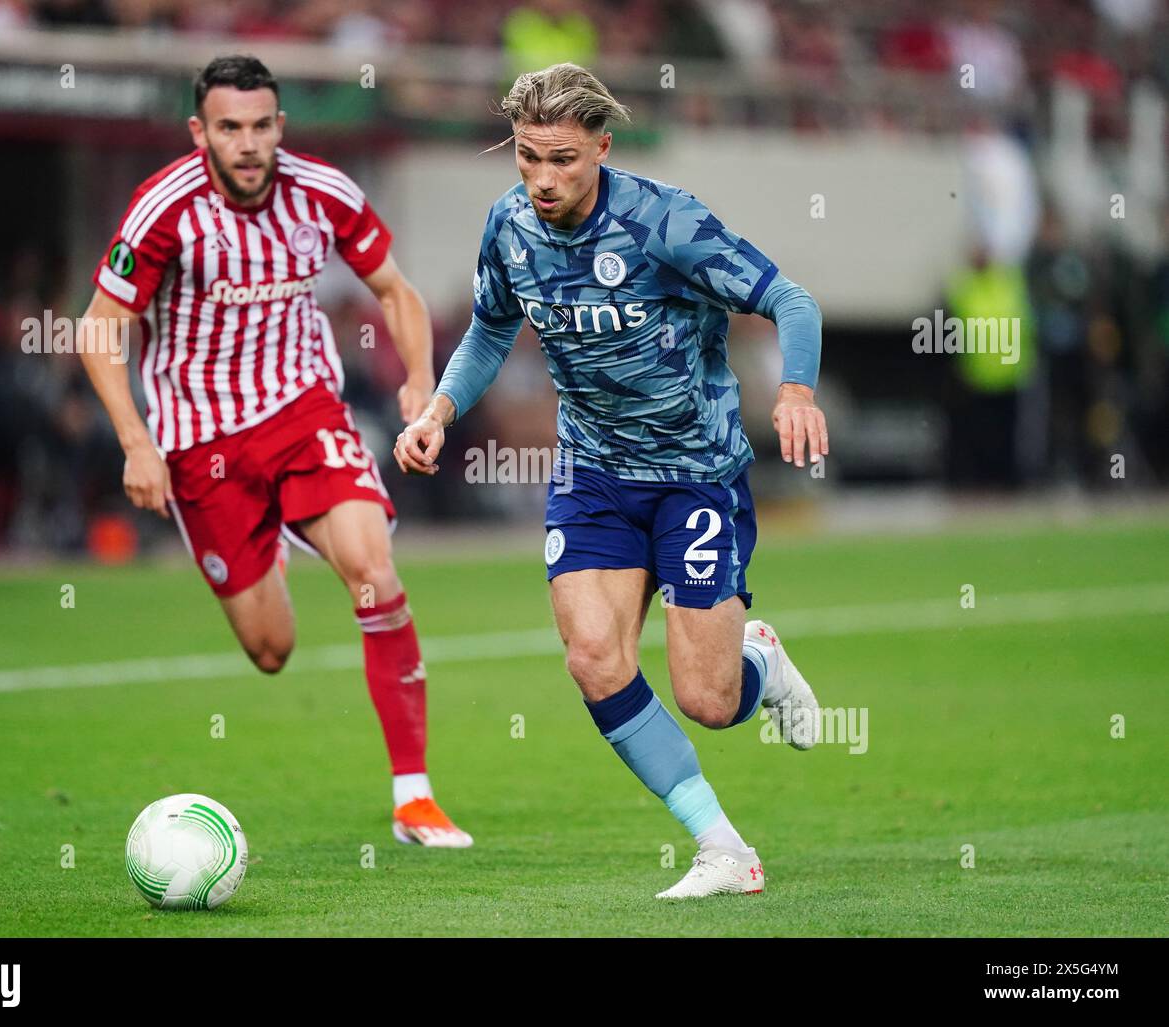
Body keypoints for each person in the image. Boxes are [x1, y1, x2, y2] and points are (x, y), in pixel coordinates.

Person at [394, 63, 828, 895]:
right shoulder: (509, 226)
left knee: (706, 695)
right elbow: (489, 331)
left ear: (602, 143)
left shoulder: (666, 222)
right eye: (527, 157)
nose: (543, 179)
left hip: (695, 478)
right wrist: (439, 412)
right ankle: (723, 847)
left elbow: (791, 300)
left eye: (562, 158)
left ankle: (760, 664)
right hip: (593, 472)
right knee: (594, 657)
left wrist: (797, 390)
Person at [78, 54, 472, 848]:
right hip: (199, 438)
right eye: (230, 127)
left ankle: (414, 797)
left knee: (374, 573)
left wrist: (420, 385)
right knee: (270, 649)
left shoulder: (323, 192)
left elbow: (395, 291)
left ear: (280, 127)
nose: (249, 143)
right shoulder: (165, 208)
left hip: (303, 413)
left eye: (262, 126)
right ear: (201, 132)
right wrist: (137, 441)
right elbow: (99, 328)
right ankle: (274, 542)